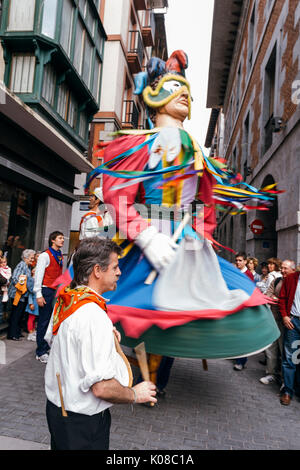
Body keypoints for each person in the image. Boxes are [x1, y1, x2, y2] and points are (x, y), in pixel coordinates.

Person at [82, 51, 279, 392]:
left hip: (185, 241)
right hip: (148, 236)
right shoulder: (141, 143)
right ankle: (129, 372)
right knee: (137, 305)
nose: (185, 94)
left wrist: (200, 232)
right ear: (156, 98)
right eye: (176, 87)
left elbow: (208, 199)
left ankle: (153, 376)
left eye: (187, 89)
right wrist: (144, 234)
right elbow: (118, 194)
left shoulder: (196, 150)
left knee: (185, 310)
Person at [44, 237, 156, 450]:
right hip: (82, 423)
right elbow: (102, 388)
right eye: (115, 266)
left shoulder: (68, 298)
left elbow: (56, 340)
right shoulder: (93, 316)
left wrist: (103, 339)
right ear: (97, 270)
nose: (119, 272)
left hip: (58, 411)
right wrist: (134, 394)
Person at [260, 260, 296, 385]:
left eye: (285, 268)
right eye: (282, 268)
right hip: (274, 319)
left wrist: (277, 299)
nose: (283, 270)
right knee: (271, 348)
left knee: (285, 351)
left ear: (293, 269)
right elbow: (267, 295)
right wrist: (274, 299)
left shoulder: (295, 282)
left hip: (288, 322)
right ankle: (271, 374)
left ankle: (284, 379)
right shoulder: (277, 281)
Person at [34, 231, 64, 363]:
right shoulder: (45, 256)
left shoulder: (59, 255)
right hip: (46, 291)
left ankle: (46, 347)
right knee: (43, 322)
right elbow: (38, 276)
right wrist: (38, 294)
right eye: (60, 238)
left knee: (51, 321)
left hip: (54, 292)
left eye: (62, 238)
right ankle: (40, 351)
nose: (62, 240)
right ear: (53, 240)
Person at [278, 268, 300, 405]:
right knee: (291, 358)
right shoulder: (291, 278)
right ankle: (287, 391)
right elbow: (282, 298)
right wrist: (285, 316)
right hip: (294, 323)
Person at [7, 249, 35, 340]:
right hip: (18, 294)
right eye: (31, 258)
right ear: (25, 258)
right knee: (16, 314)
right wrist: (21, 288)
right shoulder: (22, 265)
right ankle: (12, 334)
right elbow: (15, 277)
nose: (32, 259)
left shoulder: (27, 266)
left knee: (19, 314)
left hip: (22, 295)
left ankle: (17, 332)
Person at [26, 267, 39, 341]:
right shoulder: (31, 280)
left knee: (34, 318)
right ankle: (30, 333)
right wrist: (30, 303)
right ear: (33, 271)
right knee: (31, 318)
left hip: (36, 302)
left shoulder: (37, 280)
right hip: (33, 302)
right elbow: (30, 293)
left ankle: (33, 331)